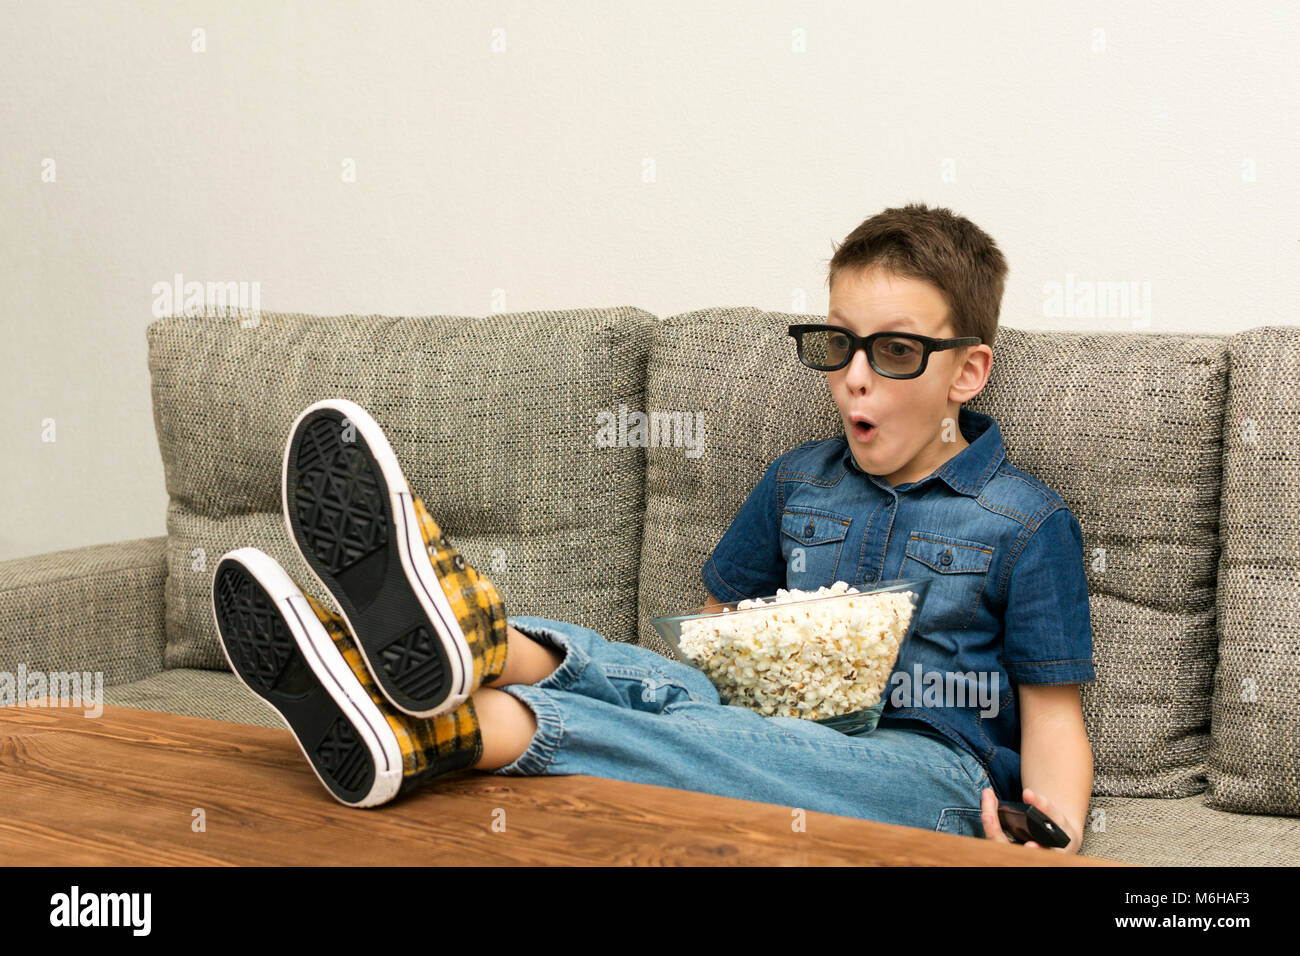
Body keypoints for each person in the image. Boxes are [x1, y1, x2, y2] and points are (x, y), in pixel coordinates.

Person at [212, 202, 1095, 852]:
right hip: (766, 714)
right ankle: (476, 641)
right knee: (685, 694)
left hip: (923, 771)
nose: (854, 378)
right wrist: (760, 649)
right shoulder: (800, 480)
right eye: (837, 344)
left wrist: (1048, 839)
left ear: (967, 373)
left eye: (895, 351)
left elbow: (1052, 718)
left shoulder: (1023, 520)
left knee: (714, 741)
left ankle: (458, 722)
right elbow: (714, 635)